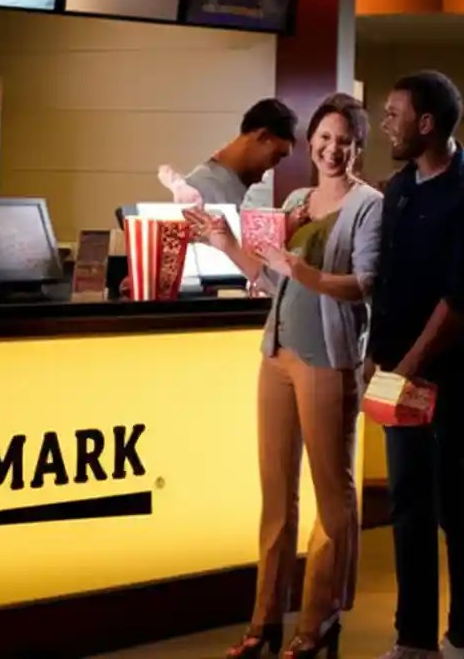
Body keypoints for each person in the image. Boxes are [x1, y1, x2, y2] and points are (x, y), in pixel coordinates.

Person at [185, 93, 382, 659]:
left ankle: (317, 622)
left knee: (333, 497)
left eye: (344, 140)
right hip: (278, 353)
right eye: (324, 138)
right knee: (276, 496)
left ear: (358, 147)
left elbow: (365, 285)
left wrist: (305, 270)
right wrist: (227, 245)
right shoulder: (295, 199)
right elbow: (276, 283)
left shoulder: (370, 206)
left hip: (329, 358)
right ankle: (263, 622)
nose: (331, 149)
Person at [368, 72, 464, 659]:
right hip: (399, 371)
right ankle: (415, 640)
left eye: (394, 113)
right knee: (408, 503)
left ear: (426, 124)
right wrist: (378, 364)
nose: (385, 123)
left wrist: (408, 369)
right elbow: (391, 284)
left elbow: (459, 305)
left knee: (454, 501)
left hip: (446, 376)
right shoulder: (402, 189)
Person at [159, 98, 298, 209]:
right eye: (277, 156)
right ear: (261, 136)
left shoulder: (232, 184)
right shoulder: (205, 187)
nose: (273, 166)